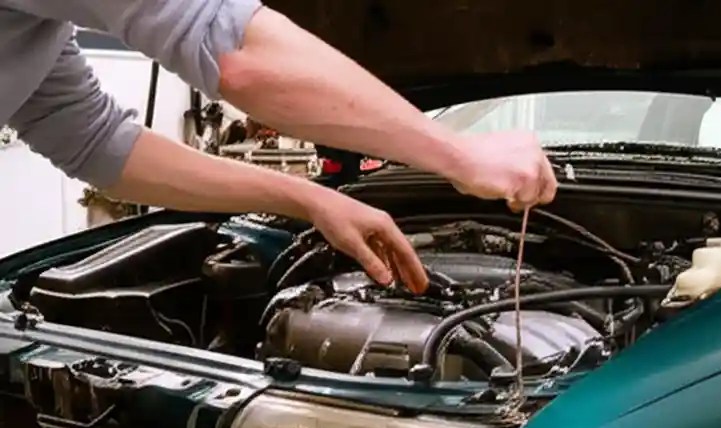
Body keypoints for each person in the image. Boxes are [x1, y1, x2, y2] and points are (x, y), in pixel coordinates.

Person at [0, 0, 560, 294]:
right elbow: (235, 54)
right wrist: (458, 154)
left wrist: (313, 199)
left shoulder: (32, 31)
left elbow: (98, 142)